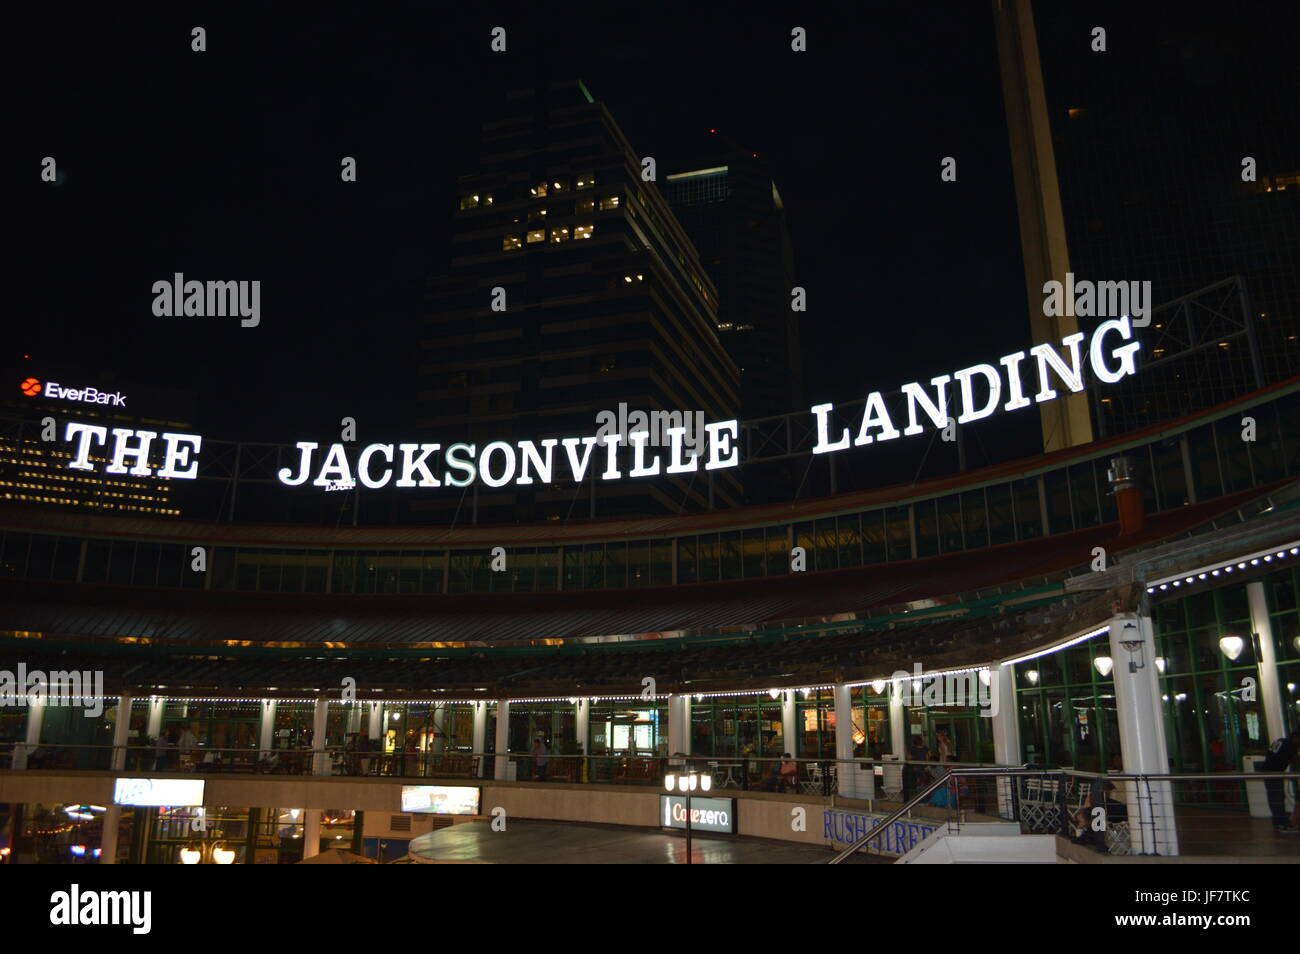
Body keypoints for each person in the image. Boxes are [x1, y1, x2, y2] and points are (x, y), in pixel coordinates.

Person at [1261, 729, 1300, 832]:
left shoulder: (1281, 741)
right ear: (1296, 738)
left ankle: (1278, 820)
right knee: (1276, 797)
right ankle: (1281, 821)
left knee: (1276, 796)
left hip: (1270, 771)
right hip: (1273, 772)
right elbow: (1290, 759)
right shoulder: (1289, 746)